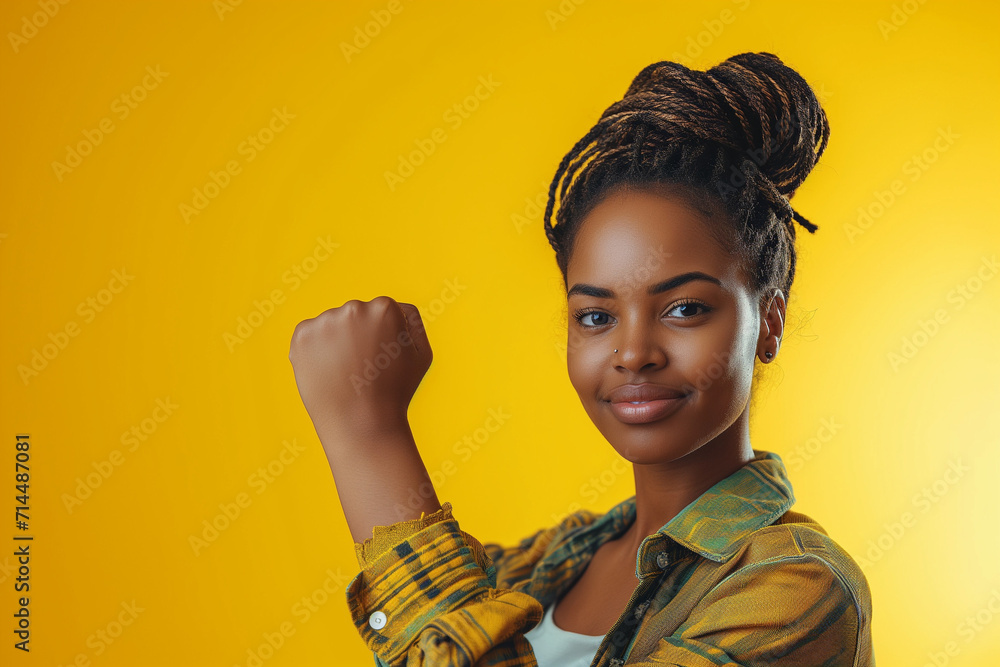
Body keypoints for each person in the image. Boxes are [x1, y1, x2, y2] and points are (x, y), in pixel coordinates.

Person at [288, 51, 875, 666]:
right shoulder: (548, 561)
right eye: (596, 317)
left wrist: (369, 436)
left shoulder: (798, 590)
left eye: (684, 309)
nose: (633, 354)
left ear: (769, 324)